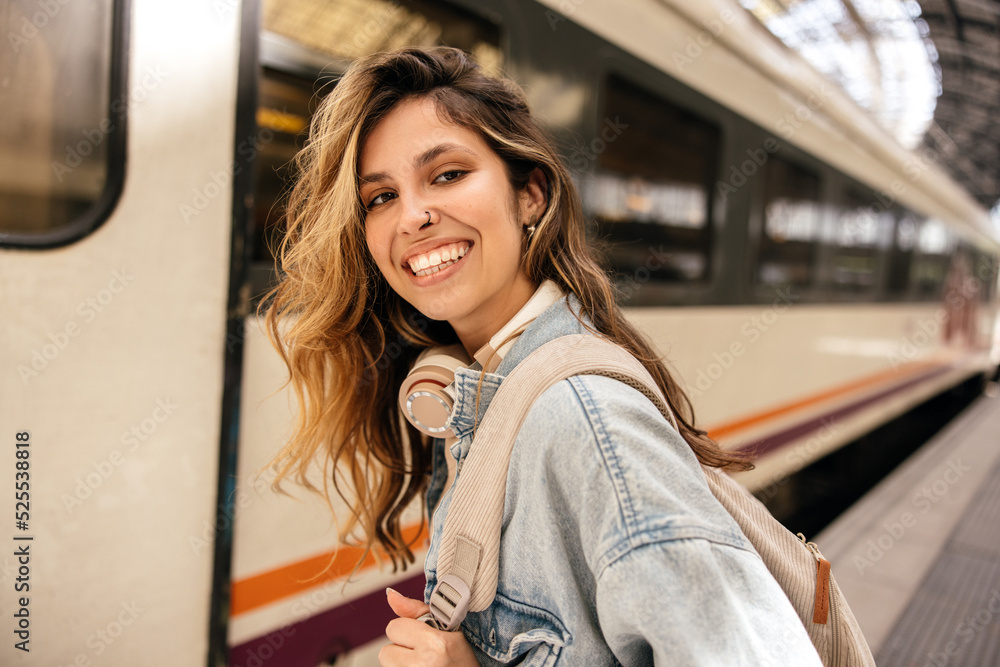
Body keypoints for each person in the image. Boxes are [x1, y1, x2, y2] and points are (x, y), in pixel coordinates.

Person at [262, 46, 822, 666]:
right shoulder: (488, 390)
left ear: (530, 195)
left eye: (447, 174)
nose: (413, 215)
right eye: (380, 197)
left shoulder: (584, 418)